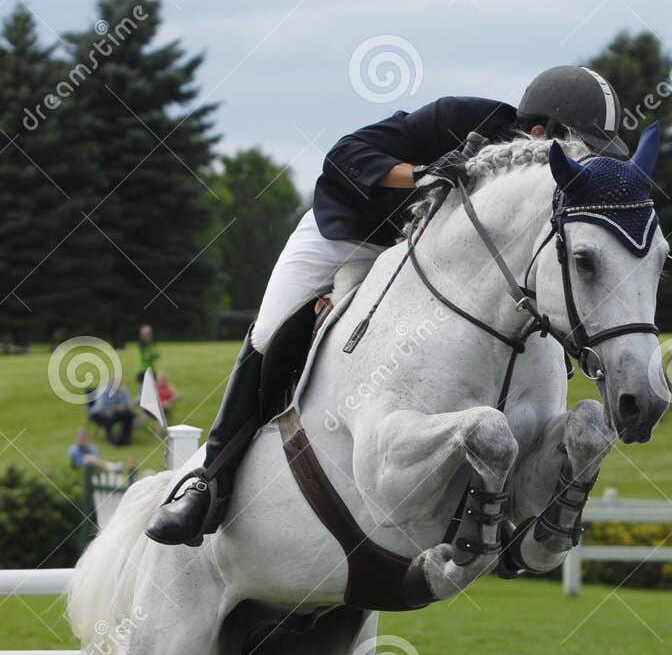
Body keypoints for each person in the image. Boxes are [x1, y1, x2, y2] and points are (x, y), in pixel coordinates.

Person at [146, 65, 632, 546]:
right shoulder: (458, 118)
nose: (588, 163)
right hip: (346, 235)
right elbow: (344, 156)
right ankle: (208, 482)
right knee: (269, 329)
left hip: (415, 257)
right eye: (582, 147)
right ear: (537, 130)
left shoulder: (542, 195)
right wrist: (418, 173)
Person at [87, 371, 136, 446]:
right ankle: (110, 439)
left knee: (130, 415)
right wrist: (115, 408)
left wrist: (124, 407)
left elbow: (129, 405)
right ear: (110, 382)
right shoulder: (103, 391)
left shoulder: (123, 390)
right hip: (100, 413)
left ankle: (125, 437)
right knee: (110, 416)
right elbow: (101, 408)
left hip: (118, 413)